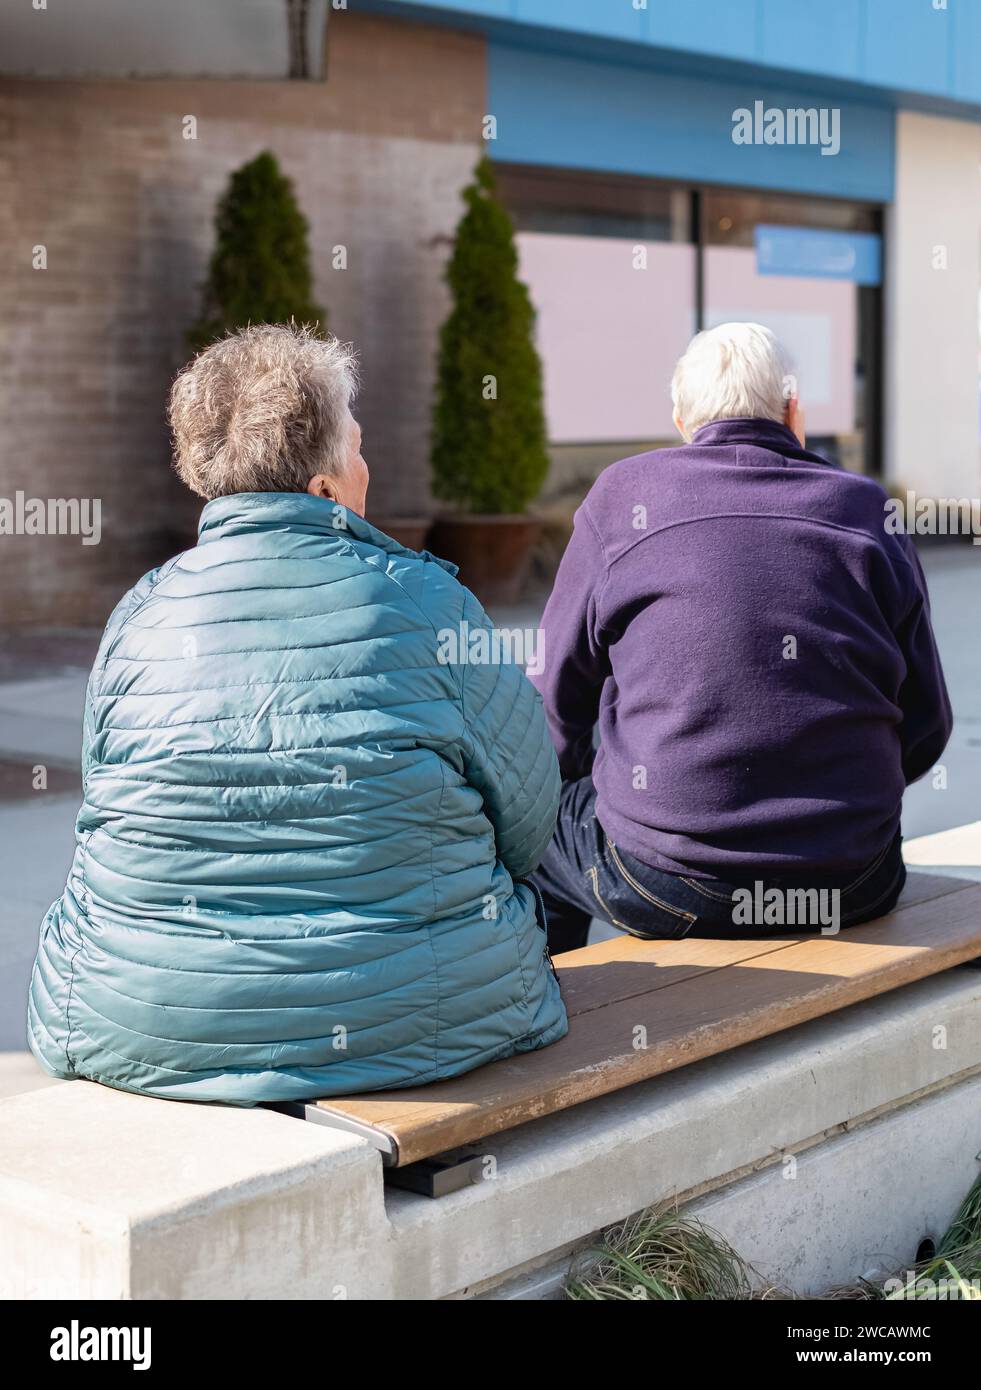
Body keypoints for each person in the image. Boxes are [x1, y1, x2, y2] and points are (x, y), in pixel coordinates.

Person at [28, 324, 566, 1104]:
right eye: (357, 447)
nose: (366, 466)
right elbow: (528, 822)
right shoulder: (429, 604)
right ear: (323, 488)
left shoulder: (139, 616)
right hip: (413, 1021)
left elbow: (108, 809)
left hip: (137, 1019)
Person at [529, 322, 953, 952]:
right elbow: (927, 724)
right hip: (854, 882)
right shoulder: (866, 509)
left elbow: (553, 706)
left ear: (681, 419)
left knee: (535, 831)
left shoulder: (623, 497)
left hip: (667, 886)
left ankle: (554, 1016)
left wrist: (581, 781)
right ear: (792, 411)